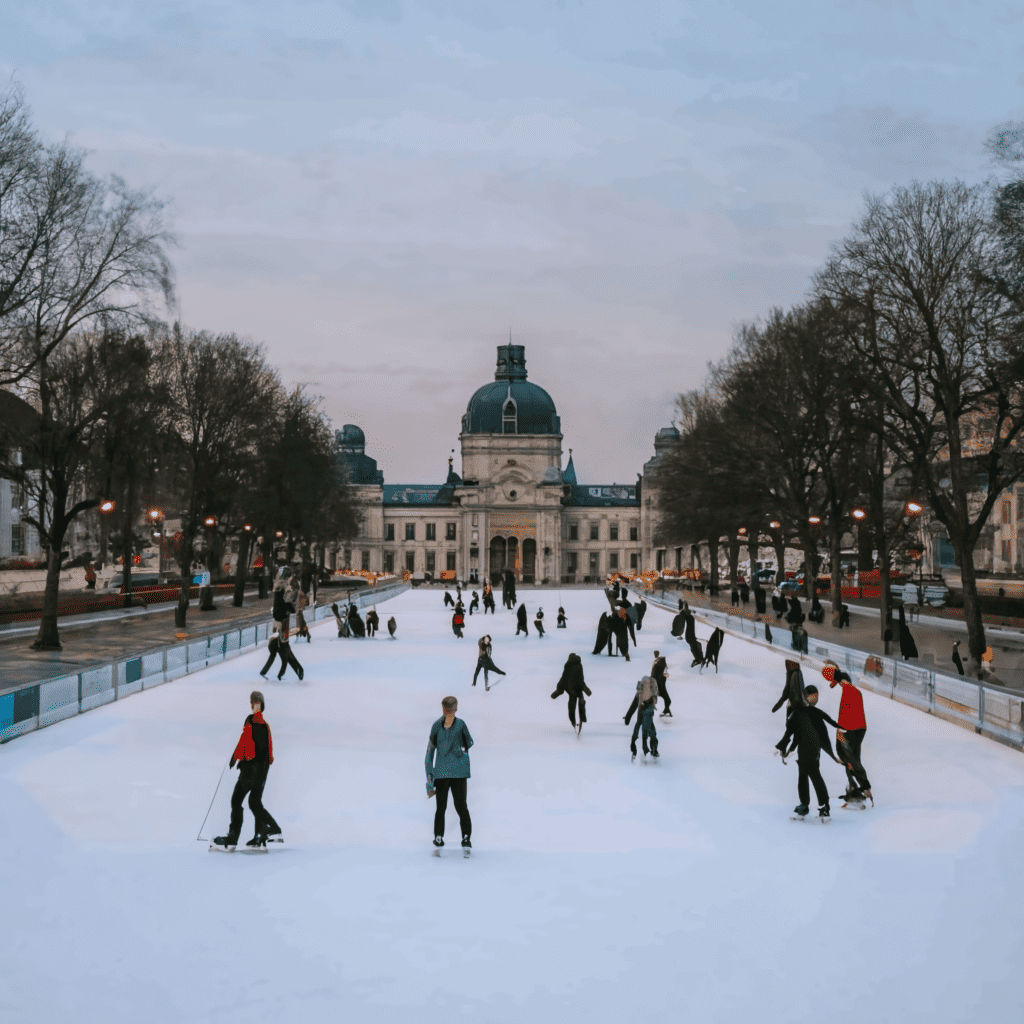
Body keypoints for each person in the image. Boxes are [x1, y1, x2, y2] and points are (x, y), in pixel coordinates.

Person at [213, 691, 282, 849]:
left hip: (252, 771)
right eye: (251, 702)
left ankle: (233, 839)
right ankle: (261, 835)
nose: (252, 704)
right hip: (259, 772)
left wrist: (238, 758)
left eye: (255, 702)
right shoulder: (257, 723)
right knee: (254, 803)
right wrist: (235, 756)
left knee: (237, 801)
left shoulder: (257, 724)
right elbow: (246, 740)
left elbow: (255, 748)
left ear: (261, 704)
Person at [777, 684, 842, 820]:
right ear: (805, 697)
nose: (814, 700)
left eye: (816, 697)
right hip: (803, 749)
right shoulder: (798, 712)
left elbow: (830, 720)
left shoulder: (816, 712)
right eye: (812, 697)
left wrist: (841, 728)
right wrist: (786, 747)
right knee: (802, 777)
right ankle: (804, 805)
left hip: (814, 750)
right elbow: (790, 732)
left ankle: (824, 807)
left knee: (815, 776)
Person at [425, 696, 473, 852]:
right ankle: (439, 836)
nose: (449, 711)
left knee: (460, 806)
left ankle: (465, 837)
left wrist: (461, 750)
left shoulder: (460, 725)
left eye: (450, 709)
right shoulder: (437, 727)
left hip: (457, 773)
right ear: (443, 709)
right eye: (447, 709)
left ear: (456, 708)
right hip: (444, 773)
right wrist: (429, 777)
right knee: (442, 807)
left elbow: (469, 743)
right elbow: (429, 753)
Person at [822, 665, 873, 804]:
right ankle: (858, 790)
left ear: (839, 680)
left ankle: (863, 786)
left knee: (848, 758)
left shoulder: (847, 692)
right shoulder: (855, 691)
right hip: (860, 728)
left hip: (849, 730)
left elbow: (845, 714)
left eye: (837, 682)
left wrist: (840, 732)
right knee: (853, 758)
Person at [550, 653, 591, 735]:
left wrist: (559, 689)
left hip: (571, 689)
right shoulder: (579, 664)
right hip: (579, 687)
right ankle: (582, 715)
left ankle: (573, 721)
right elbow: (581, 678)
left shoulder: (568, 666)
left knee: (572, 705)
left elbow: (563, 678)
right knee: (581, 699)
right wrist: (585, 688)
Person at [630, 675, 659, 761]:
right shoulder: (653, 685)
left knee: (640, 727)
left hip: (641, 710)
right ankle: (652, 750)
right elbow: (655, 700)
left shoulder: (640, 687)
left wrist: (628, 715)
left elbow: (635, 702)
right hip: (649, 711)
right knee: (650, 729)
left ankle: (635, 750)